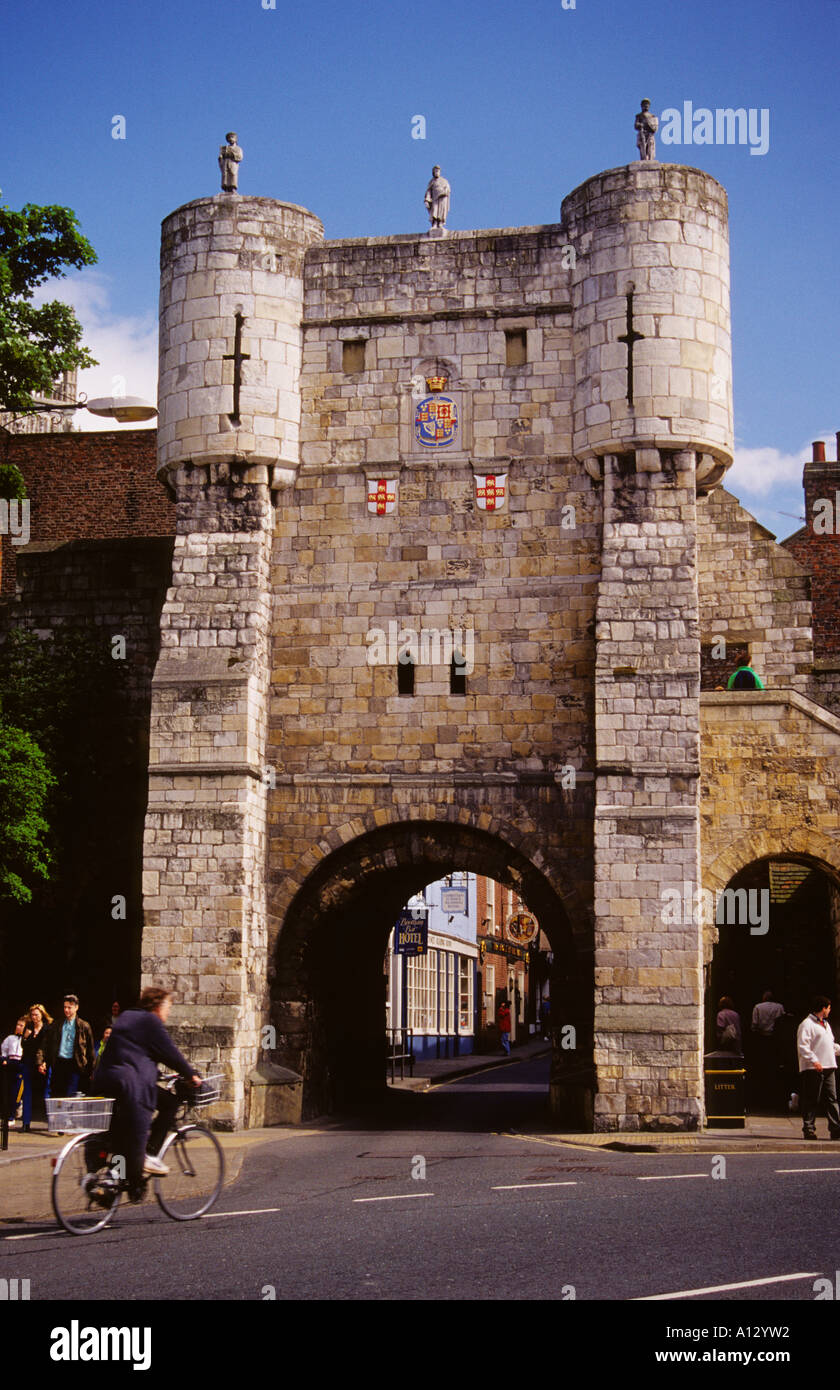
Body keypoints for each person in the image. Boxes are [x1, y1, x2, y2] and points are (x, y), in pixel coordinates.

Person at [95, 986, 201, 1199]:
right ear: (157, 1006)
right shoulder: (151, 1022)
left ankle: (111, 1185)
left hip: (105, 1080)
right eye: (168, 1007)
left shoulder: (127, 1016)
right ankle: (148, 1155)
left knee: (122, 1134)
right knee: (169, 1105)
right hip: (130, 1084)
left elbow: (135, 1052)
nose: (168, 1013)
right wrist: (191, 1076)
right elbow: (171, 1054)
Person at [796, 995, 840, 1140]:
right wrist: (815, 1061)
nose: (830, 1010)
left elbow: (829, 1045)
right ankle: (809, 1129)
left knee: (832, 1099)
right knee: (811, 1099)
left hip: (829, 1066)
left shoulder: (825, 1024)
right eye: (829, 1007)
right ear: (823, 1008)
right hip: (813, 1068)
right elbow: (803, 1046)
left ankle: (836, 1129)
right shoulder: (806, 1024)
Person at [40, 995, 95, 1099]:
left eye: (69, 1007)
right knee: (57, 1095)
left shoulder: (84, 1026)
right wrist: (41, 1061)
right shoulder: (57, 1025)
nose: (66, 1010)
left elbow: (90, 1050)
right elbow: (46, 1044)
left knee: (72, 1095)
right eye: (65, 1007)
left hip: (75, 1063)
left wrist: (91, 1070)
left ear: (76, 1007)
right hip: (59, 1063)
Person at [750, 990, 785, 1108]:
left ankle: (763, 1086)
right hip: (776, 1039)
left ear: (764, 998)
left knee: (762, 1064)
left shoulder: (758, 1007)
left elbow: (754, 1024)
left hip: (762, 1038)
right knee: (775, 1064)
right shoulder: (779, 1007)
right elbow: (783, 1021)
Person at [21, 1003, 52, 1131]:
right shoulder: (28, 1028)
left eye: (37, 1015)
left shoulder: (48, 1028)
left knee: (47, 1092)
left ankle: (51, 1121)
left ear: (42, 1015)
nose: (34, 1017)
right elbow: (23, 1045)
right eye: (32, 1015)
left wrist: (44, 1062)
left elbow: (49, 1047)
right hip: (28, 1062)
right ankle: (25, 1123)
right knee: (27, 1091)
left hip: (43, 1062)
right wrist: (26, 1037)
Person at [1, 1017, 27, 1127]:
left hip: (20, 1066)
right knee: (7, 1091)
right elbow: (3, 1051)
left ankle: (12, 1115)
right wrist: (4, 1060)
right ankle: (6, 1115)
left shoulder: (26, 1040)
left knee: (17, 1092)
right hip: (10, 1065)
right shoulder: (10, 1038)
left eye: (21, 1025)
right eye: (17, 1024)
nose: (18, 1027)